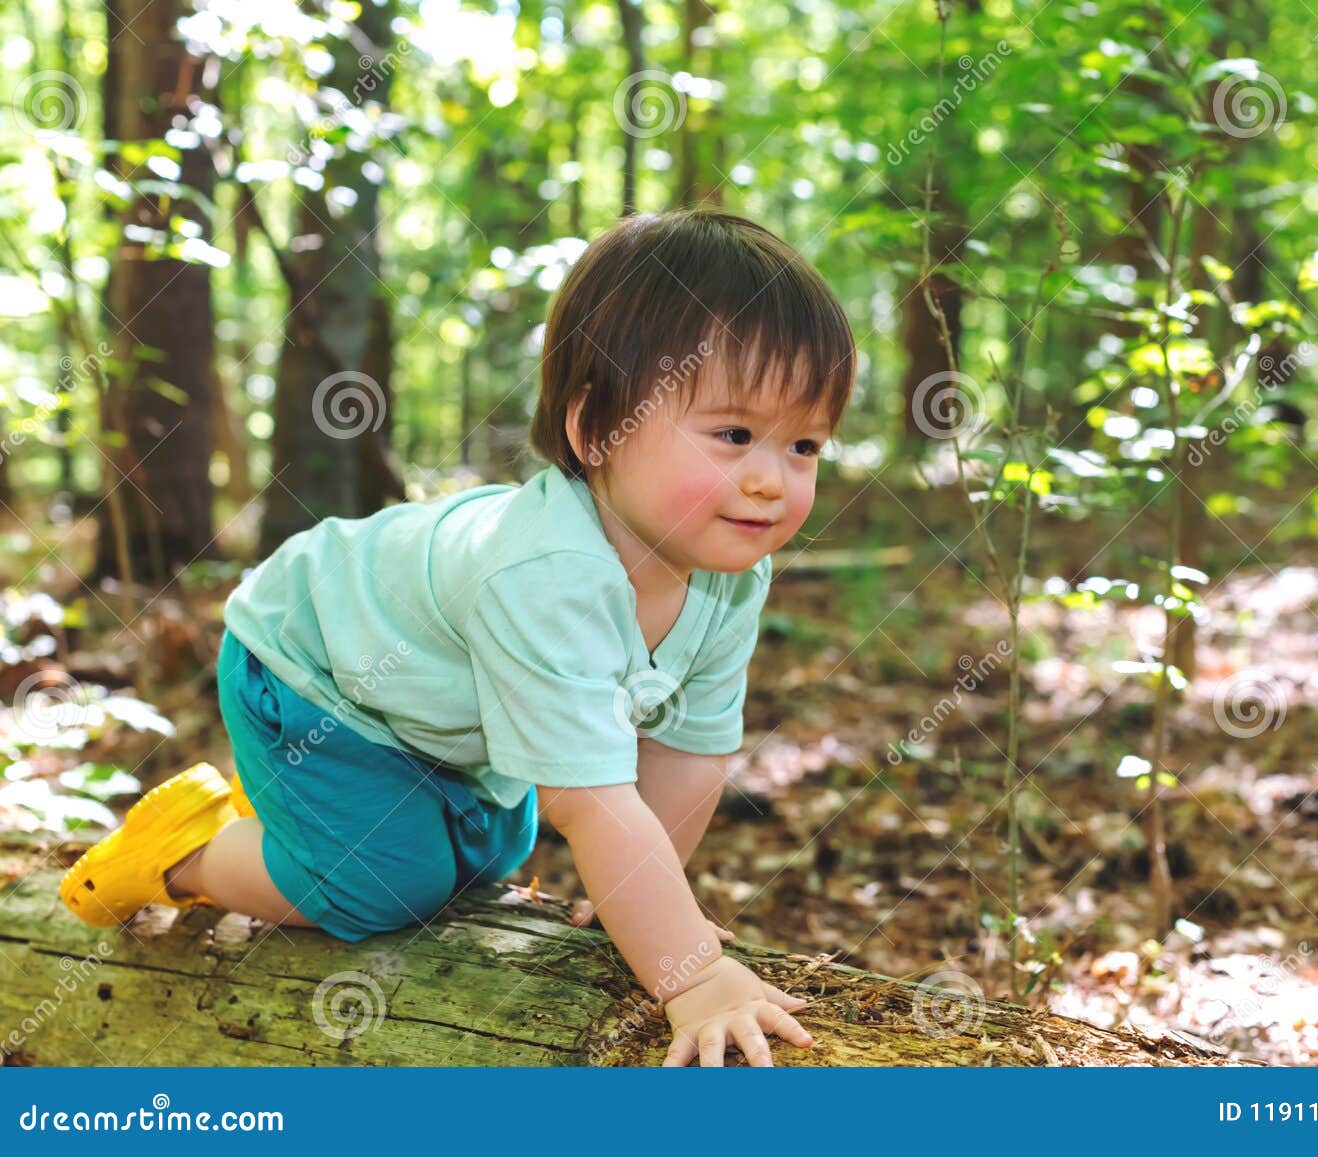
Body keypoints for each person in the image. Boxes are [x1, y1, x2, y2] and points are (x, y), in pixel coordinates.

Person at [59, 207, 857, 1067]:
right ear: (597, 429)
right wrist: (691, 972)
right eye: (734, 434)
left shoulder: (732, 575)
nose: (771, 479)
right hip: (308, 668)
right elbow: (590, 799)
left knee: (493, 855)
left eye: (804, 444)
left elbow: (689, 752)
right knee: (385, 887)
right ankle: (186, 848)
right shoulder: (547, 571)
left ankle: (309, 815)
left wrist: (639, 900)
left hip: (430, 712)